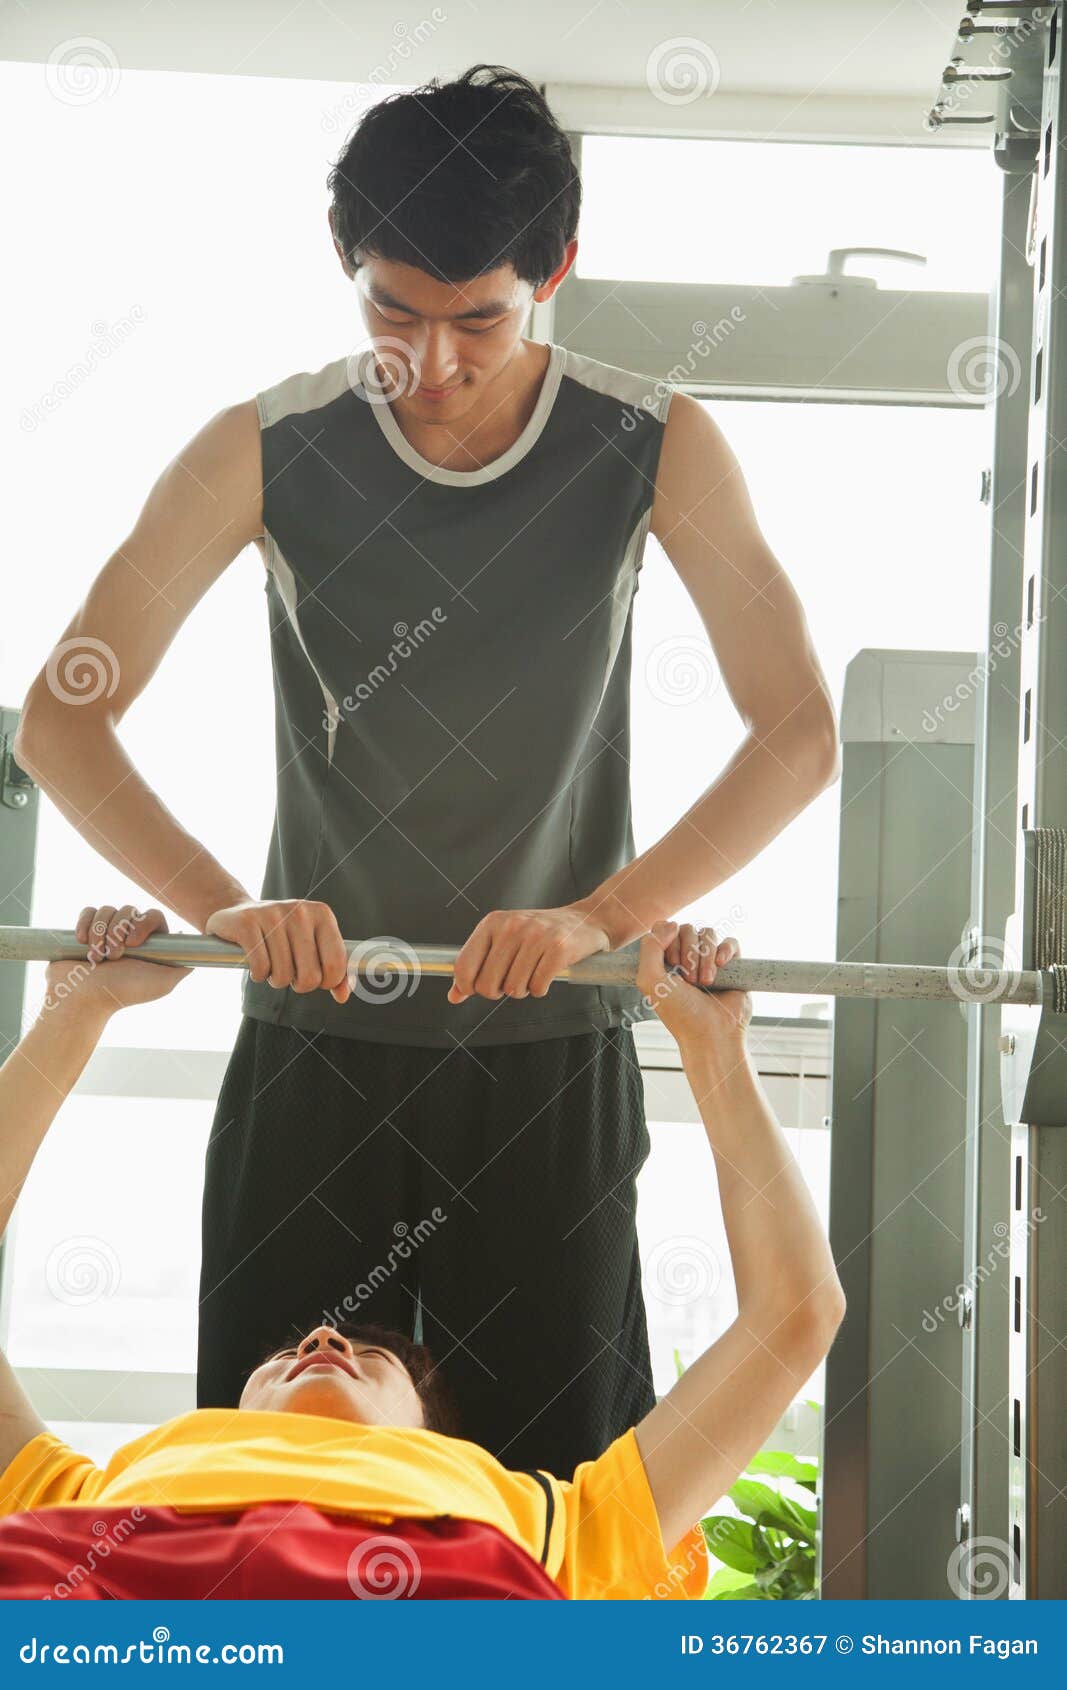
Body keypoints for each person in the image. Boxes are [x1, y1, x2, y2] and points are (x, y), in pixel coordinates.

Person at [13, 65, 839, 1477]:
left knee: (554, 1502)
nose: (435, 361)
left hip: (545, 1061)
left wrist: (597, 916)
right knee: (267, 1487)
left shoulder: (653, 445)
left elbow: (795, 734)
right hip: (311, 1057)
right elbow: (61, 719)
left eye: (478, 319)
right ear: (347, 267)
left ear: (553, 272)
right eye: (392, 311)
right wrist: (228, 908)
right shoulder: (263, 445)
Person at [0, 909, 843, 1600]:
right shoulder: (98, 1501)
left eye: (366, 1351)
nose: (323, 1341)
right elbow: (794, 1316)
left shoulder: (537, 1513)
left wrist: (716, 1045)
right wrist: (74, 1008)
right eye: (315, 1349)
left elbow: (799, 1315)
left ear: (438, 1444)